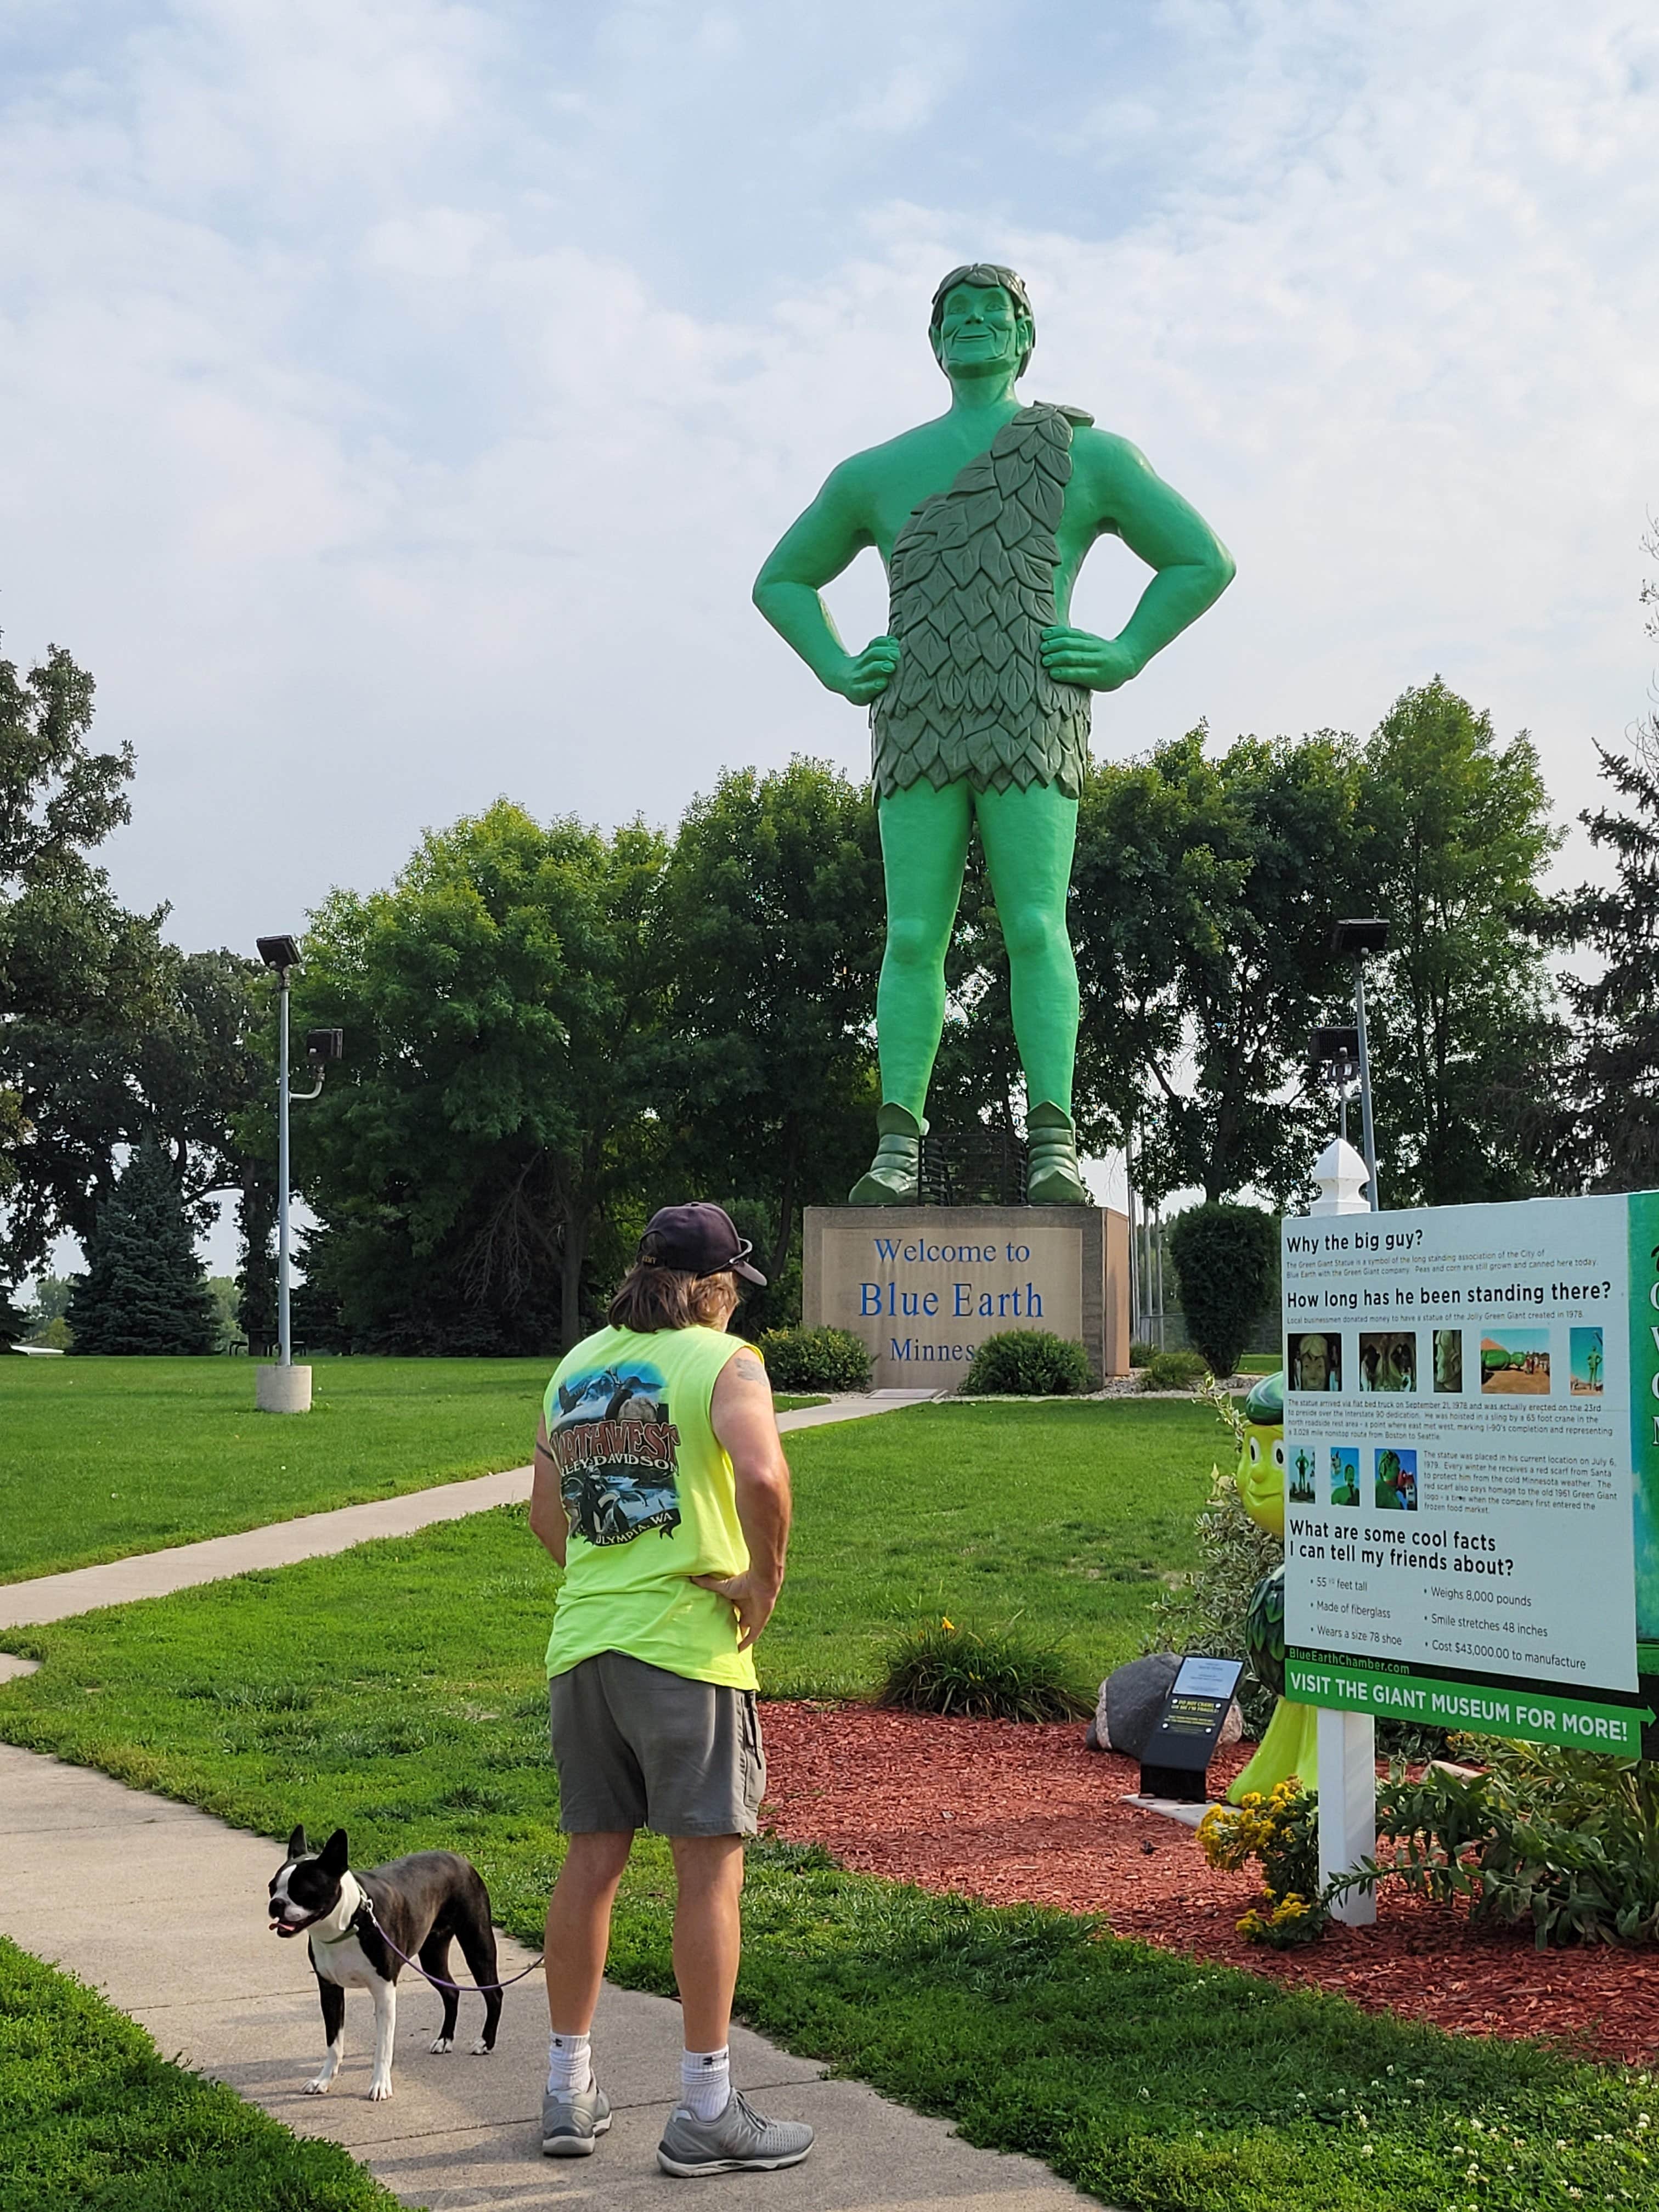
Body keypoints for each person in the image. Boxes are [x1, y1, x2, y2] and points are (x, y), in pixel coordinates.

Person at [754, 262, 1233, 1205]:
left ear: (1024, 338)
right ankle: (896, 1144)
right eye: (955, 316)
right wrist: (840, 666)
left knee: (1035, 924)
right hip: (918, 718)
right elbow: (782, 579)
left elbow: (1201, 559)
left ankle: (1055, 1138)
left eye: (992, 313)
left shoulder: (1085, 455)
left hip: (1031, 710)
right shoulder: (874, 472)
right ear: (934, 344)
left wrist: (1129, 648)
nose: (973, 326)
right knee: (913, 933)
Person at [528, 1203, 811, 2176]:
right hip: (686, 1653)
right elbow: (764, 1480)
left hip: (582, 1651)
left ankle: (567, 2093)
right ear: (717, 1287)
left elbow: (542, 1516)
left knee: (591, 1863)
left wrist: (611, 1576)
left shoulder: (576, 1367)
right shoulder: (722, 1362)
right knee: (708, 1871)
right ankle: (706, 2109)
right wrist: (761, 1581)